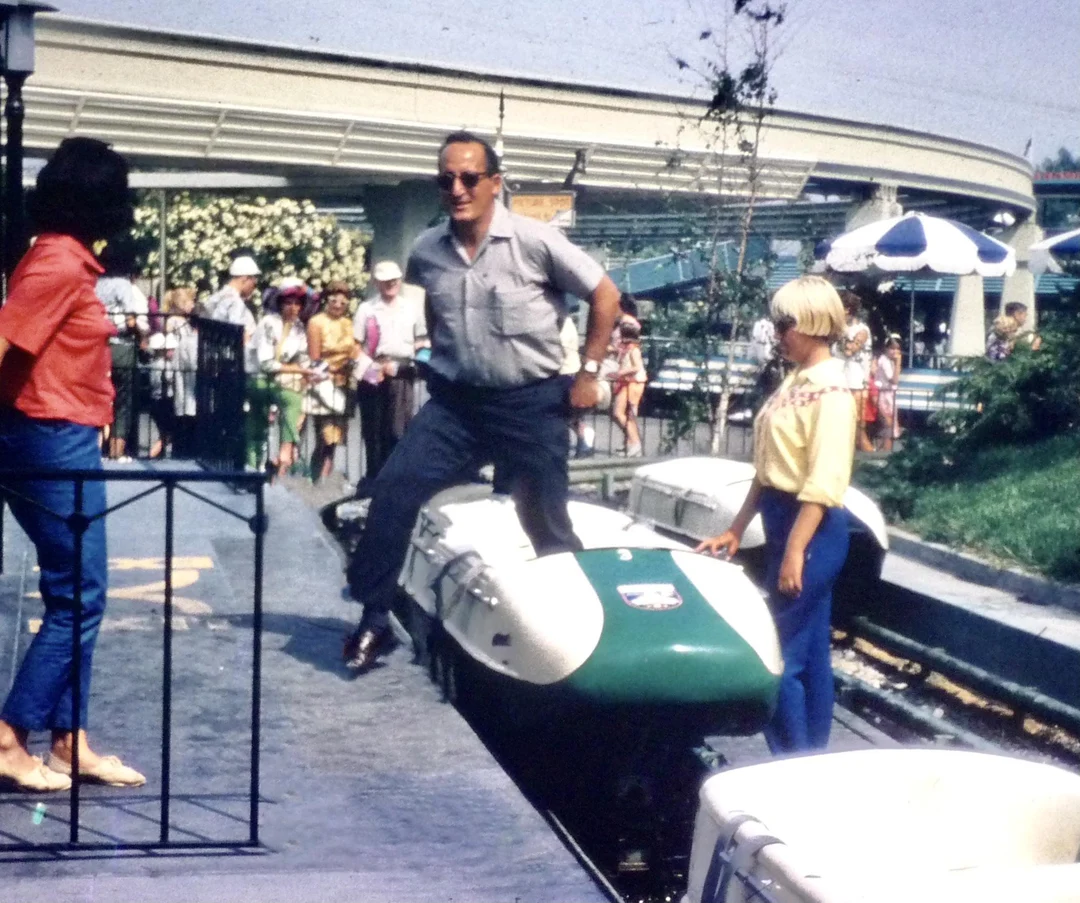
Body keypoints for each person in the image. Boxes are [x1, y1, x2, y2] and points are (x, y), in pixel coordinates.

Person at [342, 130, 621, 671]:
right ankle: (375, 619)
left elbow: (605, 295)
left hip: (531, 402)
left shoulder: (536, 242)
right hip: (458, 407)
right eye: (446, 179)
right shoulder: (426, 251)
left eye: (470, 177)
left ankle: (583, 634)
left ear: (495, 183)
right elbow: (441, 317)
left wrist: (588, 372)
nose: (458, 188)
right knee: (393, 493)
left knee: (544, 519)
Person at [0, 137, 145, 791]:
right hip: (48, 437)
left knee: (76, 592)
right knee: (79, 597)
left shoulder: (62, 259)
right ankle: (9, 737)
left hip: (63, 436)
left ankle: (68, 739)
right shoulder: (56, 264)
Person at [696, 275, 855, 755]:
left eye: (785, 323)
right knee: (809, 655)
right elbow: (767, 471)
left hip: (812, 531)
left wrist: (794, 552)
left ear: (810, 322)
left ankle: (791, 759)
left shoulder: (831, 392)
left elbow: (824, 482)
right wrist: (735, 528)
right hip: (786, 522)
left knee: (778, 654)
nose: (778, 332)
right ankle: (811, 760)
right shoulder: (794, 383)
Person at [353, 264, 427, 482]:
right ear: (376, 283)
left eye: (395, 279)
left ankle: (395, 480)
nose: (391, 284)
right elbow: (356, 345)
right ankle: (373, 479)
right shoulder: (366, 309)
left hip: (403, 372)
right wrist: (374, 369)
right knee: (373, 431)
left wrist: (414, 365)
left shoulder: (411, 308)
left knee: (398, 431)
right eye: (385, 280)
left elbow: (422, 342)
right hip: (373, 373)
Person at [206, 254, 266, 468]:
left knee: (220, 412)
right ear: (245, 279)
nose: (254, 287)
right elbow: (236, 334)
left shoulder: (215, 298)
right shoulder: (235, 302)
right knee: (232, 417)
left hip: (216, 363)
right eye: (254, 282)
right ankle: (232, 462)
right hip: (232, 365)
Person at [96, 238, 150, 462]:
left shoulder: (95, 284)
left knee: (99, 396)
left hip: (98, 345)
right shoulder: (123, 285)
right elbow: (130, 320)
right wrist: (142, 336)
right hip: (121, 345)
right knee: (122, 399)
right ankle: (116, 452)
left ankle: (97, 447)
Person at [256, 279, 314, 479]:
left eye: (297, 304)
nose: (293, 308)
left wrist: (310, 373)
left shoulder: (298, 327)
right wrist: (296, 370)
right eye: (288, 303)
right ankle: (263, 460)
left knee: (296, 400)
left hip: (285, 379)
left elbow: (303, 357)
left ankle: (285, 453)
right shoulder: (268, 323)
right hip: (260, 376)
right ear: (280, 304)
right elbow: (265, 363)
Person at [306, 282, 357, 482]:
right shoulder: (316, 322)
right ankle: (315, 476)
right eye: (334, 300)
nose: (338, 304)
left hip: (345, 383)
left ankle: (326, 477)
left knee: (336, 436)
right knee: (325, 435)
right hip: (324, 382)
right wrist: (333, 368)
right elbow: (314, 358)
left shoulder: (348, 324)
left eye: (343, 301)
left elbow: (354, 349)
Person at [162, 287, 199, 457]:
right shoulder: (175, 321)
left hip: (185, 362)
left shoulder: (185, 321)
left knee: (185, 401)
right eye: (190, 301)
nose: (193, 305)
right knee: (182, 400)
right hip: (181, 362)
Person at [837, 291, 874, 452]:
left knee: (857, 427)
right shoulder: (839, 329)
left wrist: (841, 333)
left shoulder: (861, 330)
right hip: (839, 378)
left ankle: (874, 462)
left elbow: (849, 350)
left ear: (848, 310)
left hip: (855, 382)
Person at [611, 318, 647, 457]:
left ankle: (635, 443)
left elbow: (637, 367)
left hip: (634, 383)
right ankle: (629, 443)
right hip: (627, 382)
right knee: (620, 413)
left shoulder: (634, 350)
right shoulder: (626, 348)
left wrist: (619, 373)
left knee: (625, 414)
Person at [872, 334, 903, 452]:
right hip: (883, 395)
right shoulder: (884, 361)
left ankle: (885, 450)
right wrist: (898, 362)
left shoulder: (890, 361)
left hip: (890, 395)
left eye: (897, 349)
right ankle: (884, 451)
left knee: (889, 425)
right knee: (888, 425)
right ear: (886, 348)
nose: (895, 351)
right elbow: (894, 380)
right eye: (892, 348)